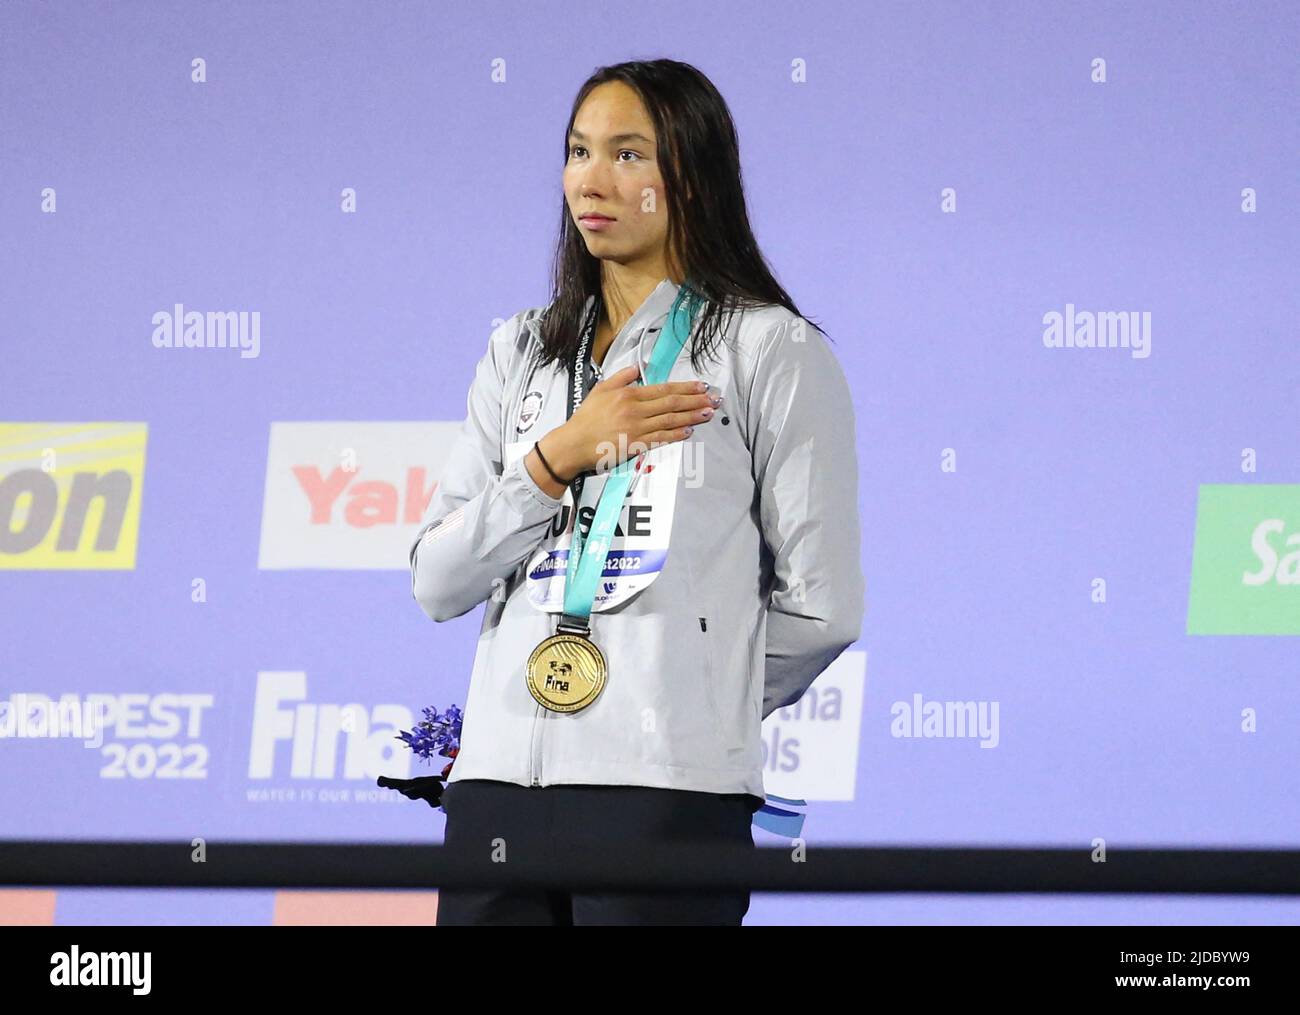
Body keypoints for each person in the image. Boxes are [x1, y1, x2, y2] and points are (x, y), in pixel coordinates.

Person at [409, 58, 864, 925]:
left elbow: (825, 607)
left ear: (688, 179)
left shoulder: (770, 350)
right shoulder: (522, 351)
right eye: (579, 151)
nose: (591, 178)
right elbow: (438, 579)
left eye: (626, 154)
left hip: (663, 793)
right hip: (496, 790)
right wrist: (556, 460)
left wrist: (685, 699)